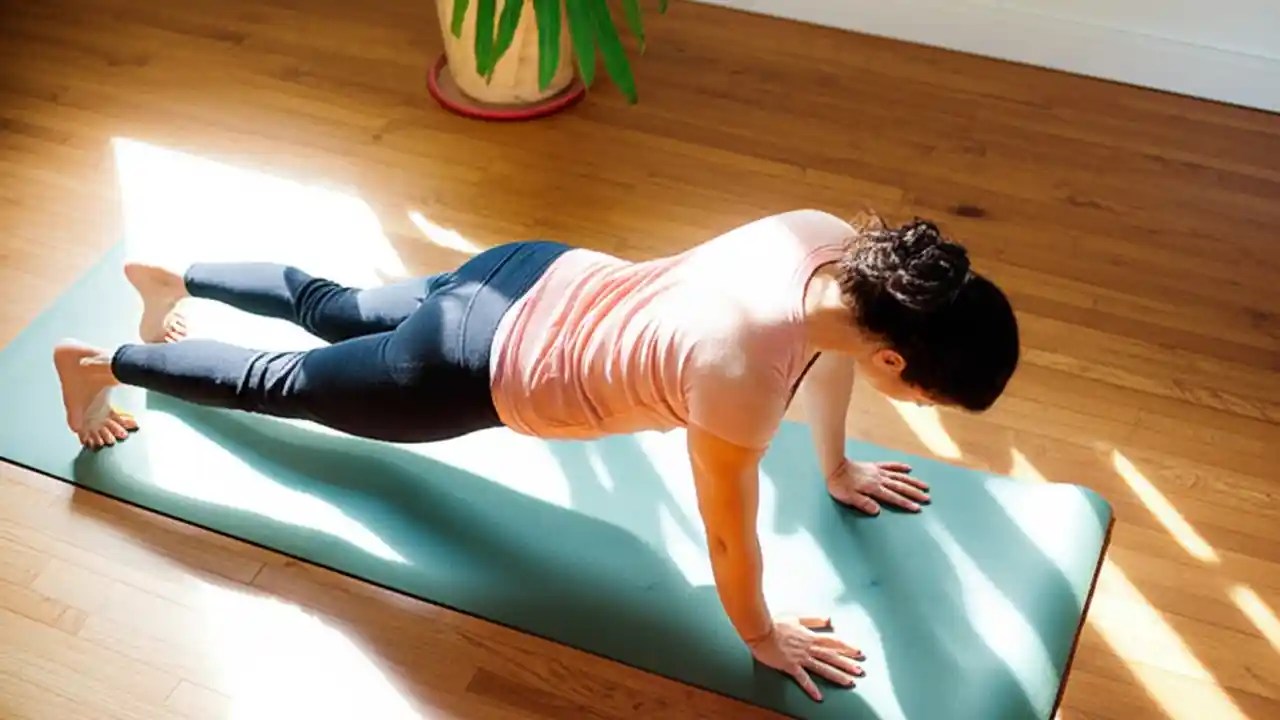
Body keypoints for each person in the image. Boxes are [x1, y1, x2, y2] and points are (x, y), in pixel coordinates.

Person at [52, 208, 1019, 702]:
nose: (914, 397)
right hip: (471, 367)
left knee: (337, 306)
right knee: (287, 383)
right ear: (896, 355)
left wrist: (836, 466)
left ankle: (170, 275)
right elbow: (728, 541)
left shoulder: (833, 246)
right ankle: (100, 363)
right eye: (924, 390)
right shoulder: (740, 378)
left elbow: (831, 359)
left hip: (529, 271)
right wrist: (763, 637)